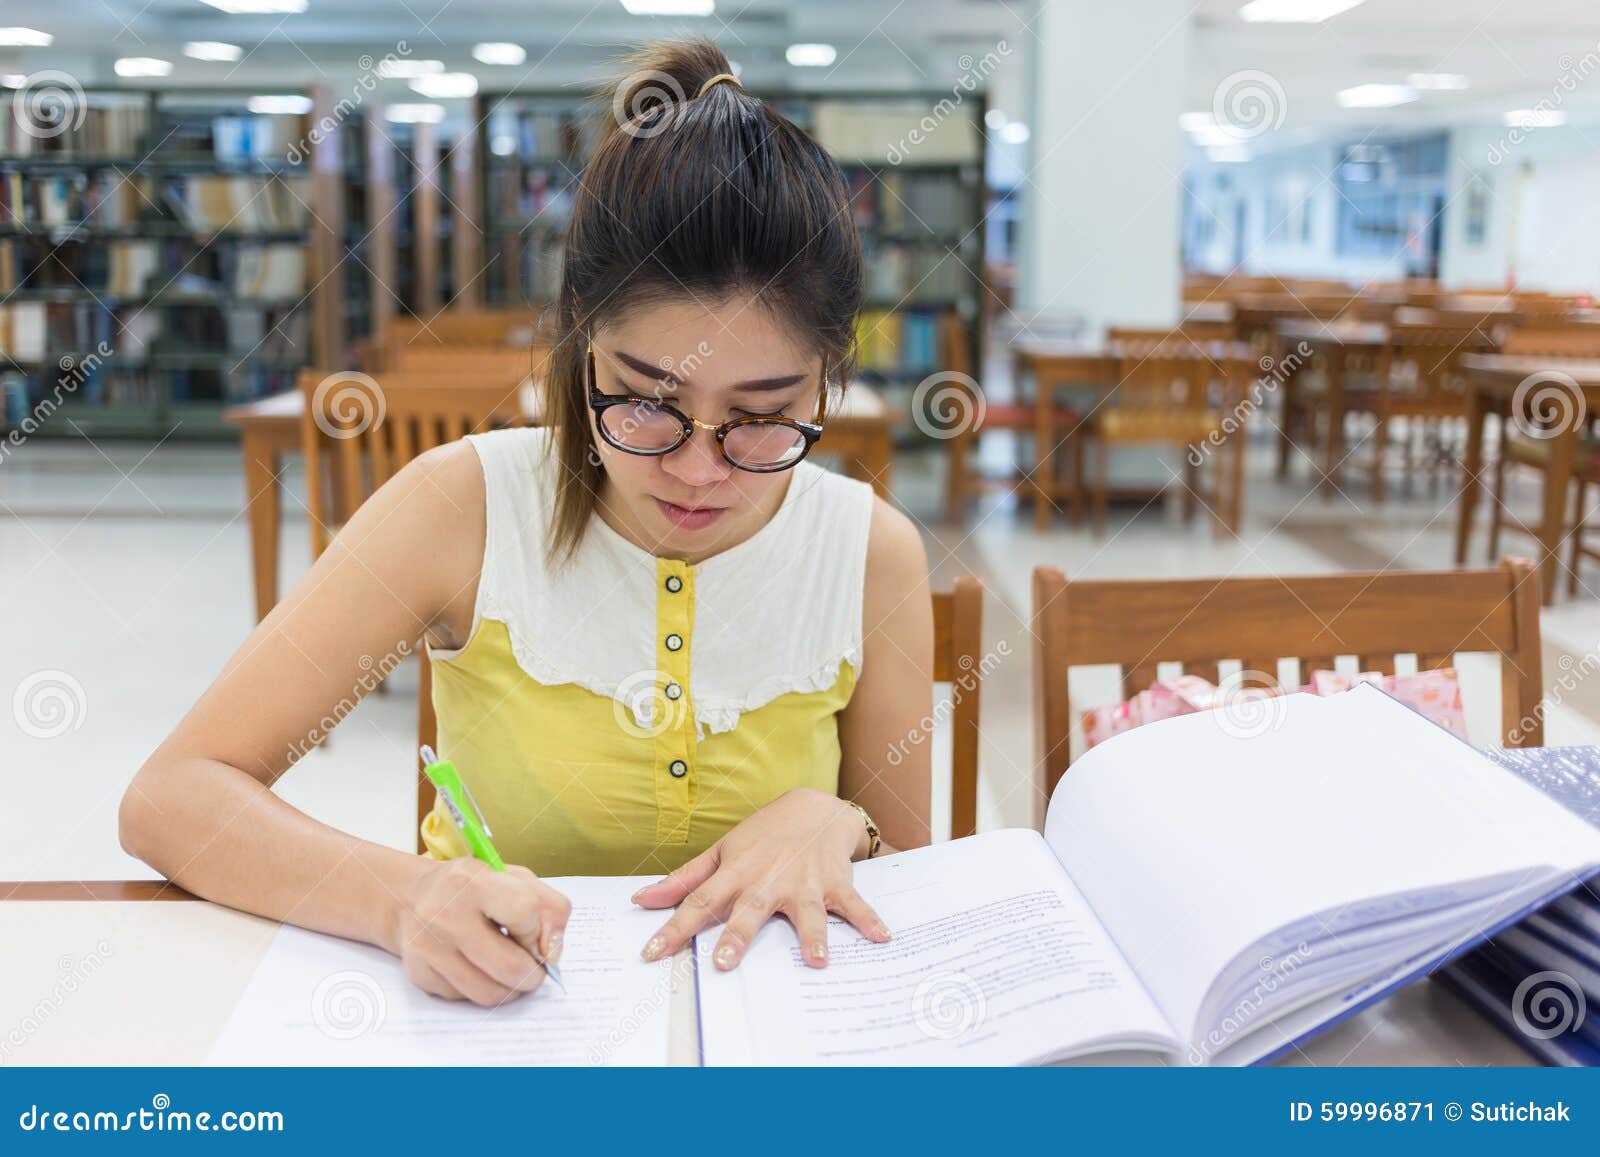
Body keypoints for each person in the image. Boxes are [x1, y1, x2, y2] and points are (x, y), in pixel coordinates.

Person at [119, 36, 933, 1008]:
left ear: (830, 376)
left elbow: (916, 875)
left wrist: (835, 823)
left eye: (761, 417)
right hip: (503, 1032)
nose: (695, 466)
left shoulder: (867, 549)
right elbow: (173, 797)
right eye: (644, 402)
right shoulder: (463, 504)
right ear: (581, 339)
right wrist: (403, 898)